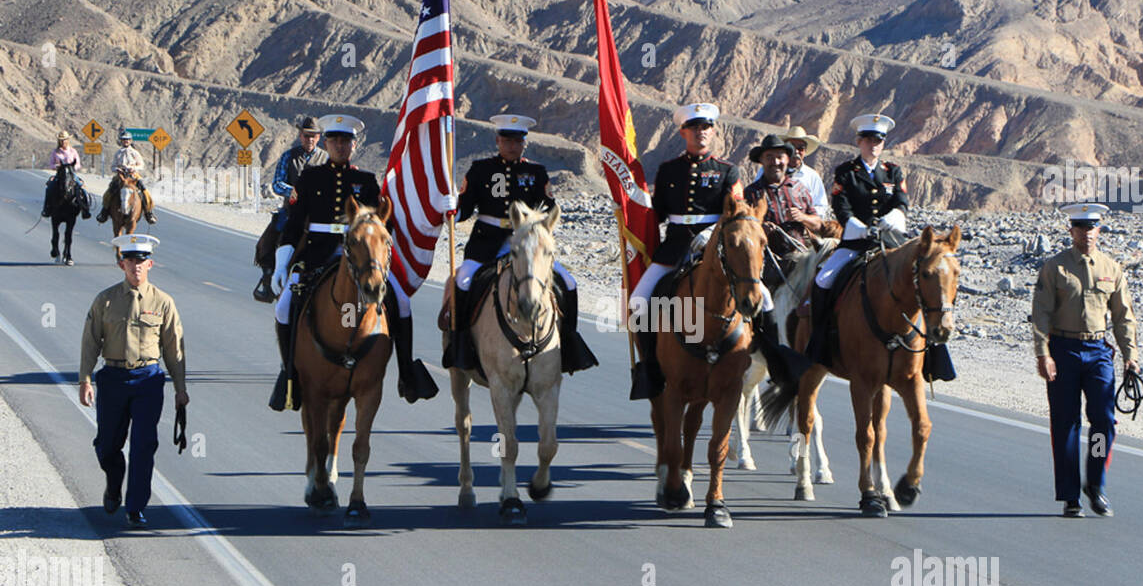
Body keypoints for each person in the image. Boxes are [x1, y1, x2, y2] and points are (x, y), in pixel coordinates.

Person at [268, 113, 437, 410]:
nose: (339, 146)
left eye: (345, 141)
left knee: (401, 300)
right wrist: (282, 264)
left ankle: (407, 372)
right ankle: (289, 375)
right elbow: (294, 226)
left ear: (354, 145)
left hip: (360, 257)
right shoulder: (311, 178)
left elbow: (383, 225)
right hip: (317, 255)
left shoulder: (365, 181)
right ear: (327, 143)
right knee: (284, 307)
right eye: (334, 140)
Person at [627, 103, 795, 399]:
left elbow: (738, 212)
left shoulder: (728, 171)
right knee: (639, 300)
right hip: (675, 248)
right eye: (694, 128)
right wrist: (628, 212)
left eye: (705, 127)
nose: (700, 133)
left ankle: (777, 363)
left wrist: (710, 234)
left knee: (764, 298)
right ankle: (651, 369)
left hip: (717, 246)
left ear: (713, 131)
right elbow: (659, 215)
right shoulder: (669, 170)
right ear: (684, 132)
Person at [444, 113, 596, 374]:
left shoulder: (536, 173)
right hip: (485, 244)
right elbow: (466, 208)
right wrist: (452, 211)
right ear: (497, 140)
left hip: (527, 246)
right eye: (507, 140)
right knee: (463, 282)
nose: (512, 145)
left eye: (518, 141)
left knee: (568, 282)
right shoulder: (480, 169)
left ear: (525, 143)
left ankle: (569, 344)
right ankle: (461, 344)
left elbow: (549, 210)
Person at [1031, 202, 1139, 518]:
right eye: (1080, 227)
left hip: (1098, 353)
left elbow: (1123, 317)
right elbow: (1041, 313)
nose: (1087, 233)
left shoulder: (1111, 268)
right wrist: (1043, 353)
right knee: (1065, 424)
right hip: (1063, 350)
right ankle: (1070, 496)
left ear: (1099, 230)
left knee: (1103, 421)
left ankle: (1095, 484)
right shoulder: (1055, 267)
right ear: (1071, 231)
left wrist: (1130, 357)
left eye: (1092, 227)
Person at [79, 234, 187, 528]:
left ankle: (135, 506)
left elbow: (174, 349)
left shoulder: (163, 302)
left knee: (143, 444)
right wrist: (85, 379)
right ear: (121, 264)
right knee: (106, 445)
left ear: (150, 264)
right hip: (112, 378)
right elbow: (91, 342)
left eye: (141, 261)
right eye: (130, 261)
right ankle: (114, 483)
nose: (136, 266)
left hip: (148, 381)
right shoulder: (106, 299)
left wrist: (180, 389)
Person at [804, 113, 910, 366]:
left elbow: (902, 202)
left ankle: (930, 349)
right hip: (855, 242)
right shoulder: (846, 172)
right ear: (858, 141)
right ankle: (819, 340)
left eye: (878, 140)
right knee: (822, 281)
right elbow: (841, 206)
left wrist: (894, 216)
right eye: (867, 139)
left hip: (889, 241)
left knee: (921, 279)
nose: (873, 144)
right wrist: (857, 227)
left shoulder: (893, 172)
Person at [254, 117, 327, 301]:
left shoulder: (326, 158)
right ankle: (268, 279)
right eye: (306, 135)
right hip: (292, 210)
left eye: (313, 136)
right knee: (268, 239)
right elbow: (277, 183)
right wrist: (294, 191)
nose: (309, 139)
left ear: (318, 137)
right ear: (300, 136)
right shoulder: (288, 156)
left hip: (319, 211)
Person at [743, 134, 823, 285]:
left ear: (787, 159)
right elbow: (743, 230)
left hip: (802, 259)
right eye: (769, 157)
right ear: (761, 161)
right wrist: (760, 230)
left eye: (780, 157)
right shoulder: (751, 193)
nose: (775, 162)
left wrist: (802, 217)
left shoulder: (800, 189)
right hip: (767, 261)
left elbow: (818, 224)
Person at [98, 129, 155, 224]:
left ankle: (148, 213)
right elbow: (113, 166)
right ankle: (104, 212)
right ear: (121, 141)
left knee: (145, 192)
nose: (126, 141)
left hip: (133, 175)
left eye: (128, 139)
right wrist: (117, 169)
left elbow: (141, 165)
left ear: (131, 141)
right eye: (124, 139)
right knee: (109, 192)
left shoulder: (135, 153)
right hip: (120, 176)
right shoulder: (118, 153)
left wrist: (133, 168)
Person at [779, 125, 829, 219]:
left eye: (800, 148)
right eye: (792, 147)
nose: (796, 151)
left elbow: (822, 207)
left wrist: (803, 215)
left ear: (805, 151)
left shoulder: (812, 176)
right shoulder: (770, 171)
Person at [44, 130, 90, 219]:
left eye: (64, 139)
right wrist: (56, 166)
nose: (63, 142)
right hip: (60, 175)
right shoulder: (56, 152)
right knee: (49, 188)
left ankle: (85, 210)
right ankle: (47, 208)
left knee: (82, 188)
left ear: (68, 140)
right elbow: (51, 164)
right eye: (61, 140)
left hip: (71, 174)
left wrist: (73, 168)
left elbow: (78, 164)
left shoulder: (73, 151)